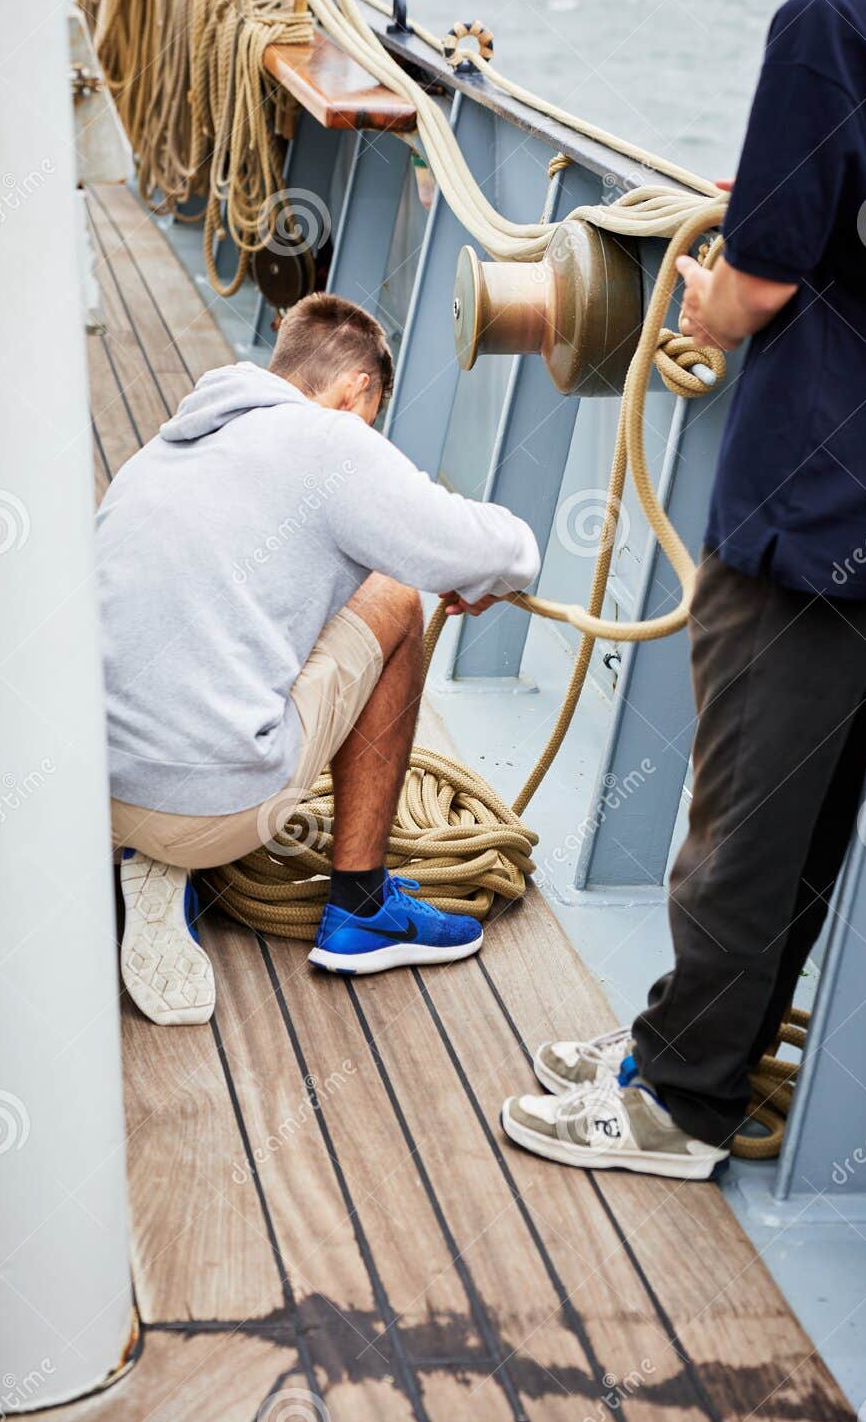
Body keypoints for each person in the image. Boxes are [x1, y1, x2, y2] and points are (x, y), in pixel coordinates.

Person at [501, 0, 866, 1178]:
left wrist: (706, 294)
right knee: (807, 820)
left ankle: (678, 1105)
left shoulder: (827, 18)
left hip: (808, 489)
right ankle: (685, 1045)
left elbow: (754, 285)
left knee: (738, 822)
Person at [98, 294, 538, 1025]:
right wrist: (510, 565)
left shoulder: (169, 445)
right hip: (213, 809)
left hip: (85, 787)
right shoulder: (333, 442)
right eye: (372, 416)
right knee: (395, 596)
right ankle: (360, 907)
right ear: (358, 390)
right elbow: (480, 548)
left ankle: (142, 846)